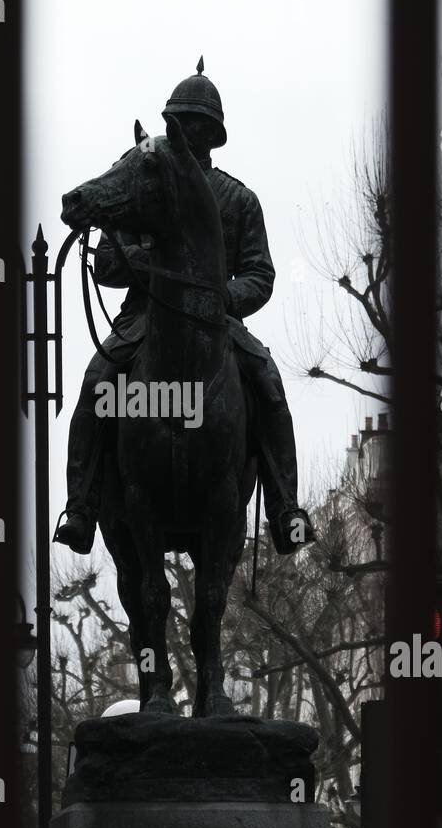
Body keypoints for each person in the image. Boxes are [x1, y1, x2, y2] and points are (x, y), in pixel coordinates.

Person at [54, 58, 311, 557]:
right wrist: (141, 263)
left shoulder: (238, 199)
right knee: (96, 381)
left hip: (217, 325)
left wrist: (219, 301)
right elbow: (106, 266)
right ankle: (82, 506)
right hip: (142, 320)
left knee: (268, 382)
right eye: (183, 124)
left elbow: (260, 275)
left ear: (214, 135)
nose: (191, 133)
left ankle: (285, 508)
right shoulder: (143, 183)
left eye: (201, 126)